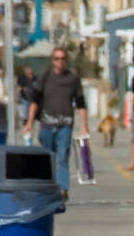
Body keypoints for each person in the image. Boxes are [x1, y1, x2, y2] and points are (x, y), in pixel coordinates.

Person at [23, 48, 88, 201]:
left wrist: (84, 125)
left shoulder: (73, 79)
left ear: (67, 60)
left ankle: (63, 189)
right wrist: (30, 123)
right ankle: (48, 187)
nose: (60, 61)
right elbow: (35, 101)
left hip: (65, 124)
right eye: (57, 58)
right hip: (46, 124)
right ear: (52, 60)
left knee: (63, 156)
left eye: (63, 58)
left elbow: (81, 103)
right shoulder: (45, 77)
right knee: (48, 157)